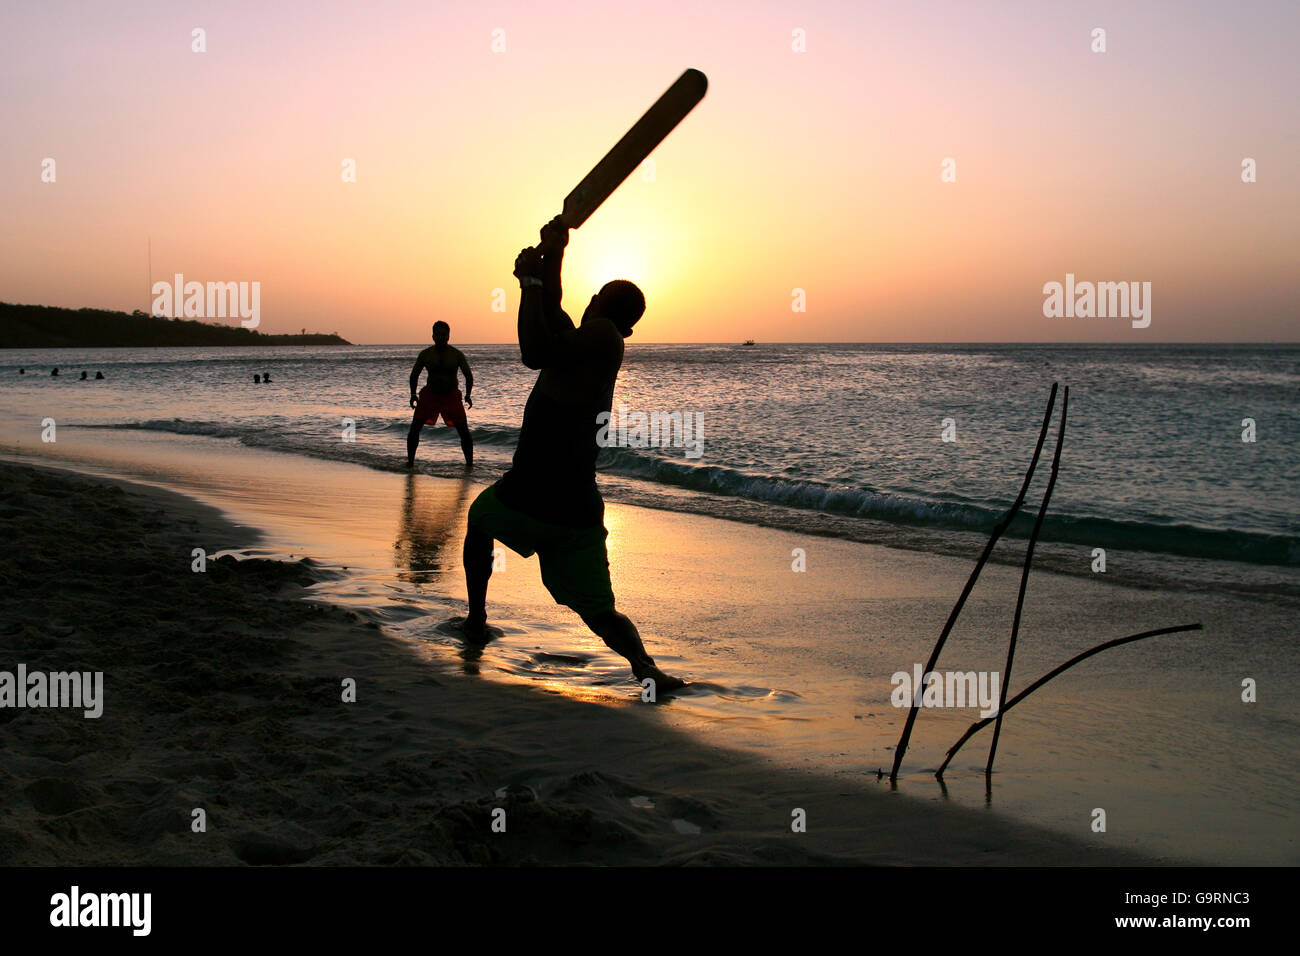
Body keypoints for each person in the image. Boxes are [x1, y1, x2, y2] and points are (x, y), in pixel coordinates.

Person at [461, 216, 684, 692]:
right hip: (566, 506)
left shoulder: (602, 337)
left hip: (538, 496)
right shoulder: (581, 346)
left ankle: (477, 618)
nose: (587, 304)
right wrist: (555, 248)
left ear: (609, 311)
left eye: (597, 299)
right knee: (600, 612)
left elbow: (532, 350)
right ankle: (646, 669)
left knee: (480, 522)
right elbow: (555, 308)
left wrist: (528, 282)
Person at [408, 321, 474, 467]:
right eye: (437, 334)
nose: (440, 337)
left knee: (463, 430)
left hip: (451, 395)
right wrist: (413, 394)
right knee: (415, 428)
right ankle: (410, 463)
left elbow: (468, 376)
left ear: (448, 336)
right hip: (430, 394)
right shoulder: (426, 354)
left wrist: (468, 395)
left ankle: (470, 465)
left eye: (443, 334)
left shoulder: (456, 355)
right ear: (433, 336)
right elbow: (414, 375)